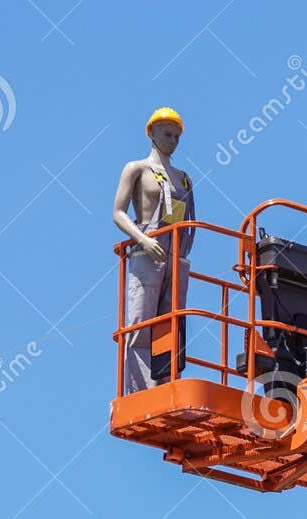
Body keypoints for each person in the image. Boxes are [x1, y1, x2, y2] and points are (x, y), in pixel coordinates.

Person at [112, 106, 195, 393]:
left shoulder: (183, 178)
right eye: (166, 133)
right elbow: (118, 213)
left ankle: (167, 385)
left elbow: (190, 221)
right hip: (147, 252)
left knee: (171, 323)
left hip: (176, 255)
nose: (172, 139)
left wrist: (182, 255)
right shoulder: (136, 169)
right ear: (151, 133)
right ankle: (139, 390)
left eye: (176, 135)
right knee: (141, 320)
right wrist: (144, 240)